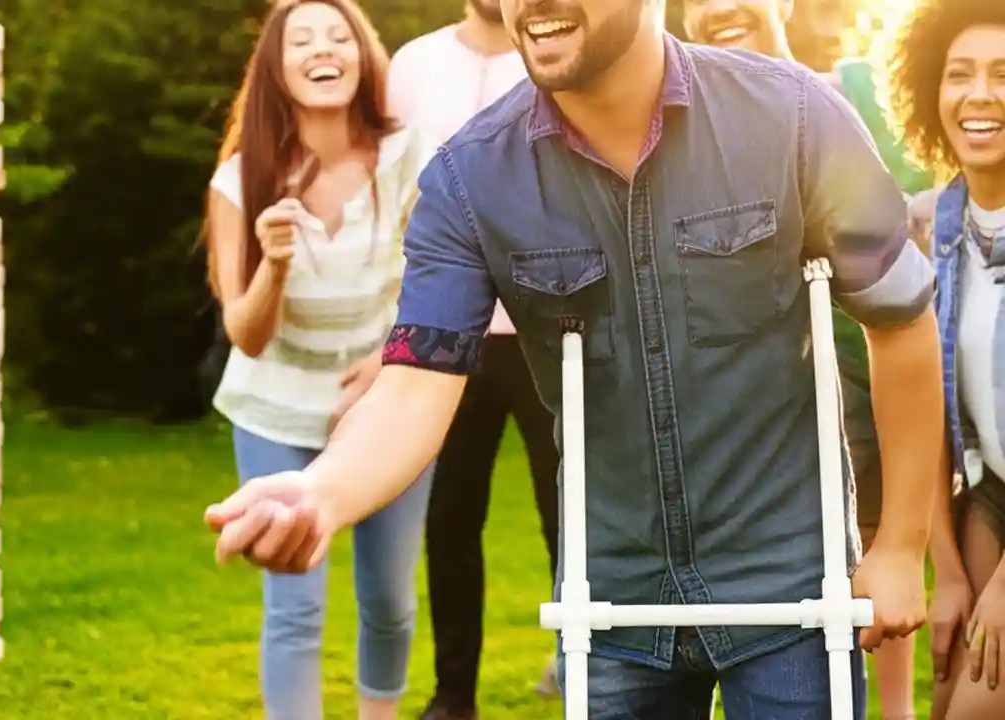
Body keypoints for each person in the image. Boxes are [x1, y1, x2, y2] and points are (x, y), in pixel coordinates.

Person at [205, 0, 944, 717]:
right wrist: (320, 493)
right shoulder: (468, 180)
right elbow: (412, 386)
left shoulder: (791, 115)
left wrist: (902, 544)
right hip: (613, 589)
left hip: (788, 578)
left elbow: (901, 319)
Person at [678, 1, 927, 716]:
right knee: (836, 548)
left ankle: (899, 707)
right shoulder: (696, 122)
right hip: (784, 377)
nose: (719, 8)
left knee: (884, 538)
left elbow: (932, 183)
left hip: (877, 356)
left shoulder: (854, 94)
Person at [202, 1, 436, 717]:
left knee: (390, 600)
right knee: (295, 609)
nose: (321, 49)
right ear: (275, 67)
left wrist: (385, 365)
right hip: (275, 408)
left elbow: (437, 276)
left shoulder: (404, 155)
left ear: (362, 57)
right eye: (300, 39)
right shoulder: (241, 180)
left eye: (339, 36)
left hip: (384, 406)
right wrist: (273, 263)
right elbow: (244, 331)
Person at [385, 3, 562, 716]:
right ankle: (452, 693)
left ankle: (584, 666)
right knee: (451, 518)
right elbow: (392, 195)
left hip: (548, 327)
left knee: (569, 512)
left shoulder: (554, 49)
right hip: (444, 336)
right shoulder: (413, 67)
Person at [891, 1, 1005, 717]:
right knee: (945, 697)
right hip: (990, 496)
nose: (978, 94)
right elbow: (921, 402)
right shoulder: (938, 226)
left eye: (1003, 74)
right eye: (959, 74)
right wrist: (952, 571)